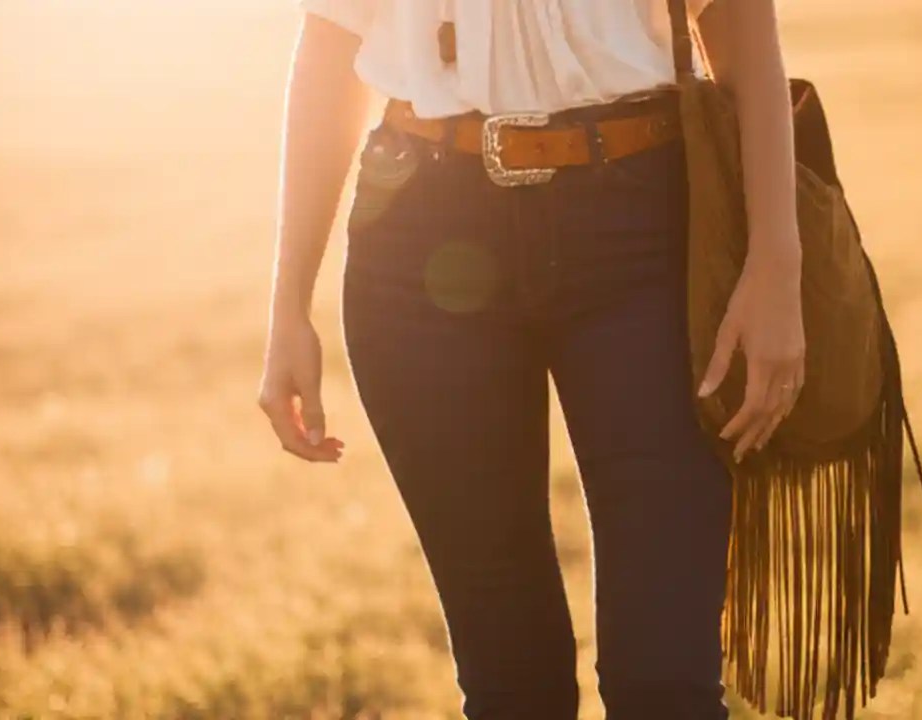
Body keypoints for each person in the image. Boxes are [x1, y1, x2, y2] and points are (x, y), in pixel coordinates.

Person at [257, 1, 806, 718]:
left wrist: (776, 263)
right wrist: (289, 301)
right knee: (510, 688)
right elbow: (329, 40)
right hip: (421, 238)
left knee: (667, 686)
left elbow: (740, 24)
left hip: (644, 233)